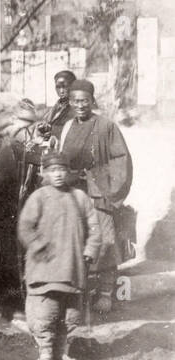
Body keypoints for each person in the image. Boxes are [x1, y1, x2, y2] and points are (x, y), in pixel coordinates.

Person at [17, 151, 99, 360]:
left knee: (71, 315)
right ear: (45, 173)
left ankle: (64, 353)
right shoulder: (39, 197)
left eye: (62, 170)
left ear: (69, 172)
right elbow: (25, 227)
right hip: (45, 268)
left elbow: (94, 228)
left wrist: (90, 249)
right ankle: (45, 353)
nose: (58, 175)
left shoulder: (80, 197)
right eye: (53, 170)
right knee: (46, 312)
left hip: (73, 266)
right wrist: (37, 245)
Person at [58, 79, 133, 313]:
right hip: (73, 193)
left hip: (98, 192)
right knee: (75, 242)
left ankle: (105, 292)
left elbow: (121, 160)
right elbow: (61, 157)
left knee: (105, 241)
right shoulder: (68, 126)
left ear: (92, 101)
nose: (80, 105)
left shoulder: (106, 126)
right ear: (70, 102)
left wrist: (102, 185)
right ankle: (77, 291)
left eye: (85, 101)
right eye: (75, 101)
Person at [37, 69, 76, 142]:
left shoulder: (76, 107)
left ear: (72, 86)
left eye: (64, 87)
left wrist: (52, 132)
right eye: (58, 87)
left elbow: (76, 130)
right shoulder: (57, 106)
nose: (61, 91)